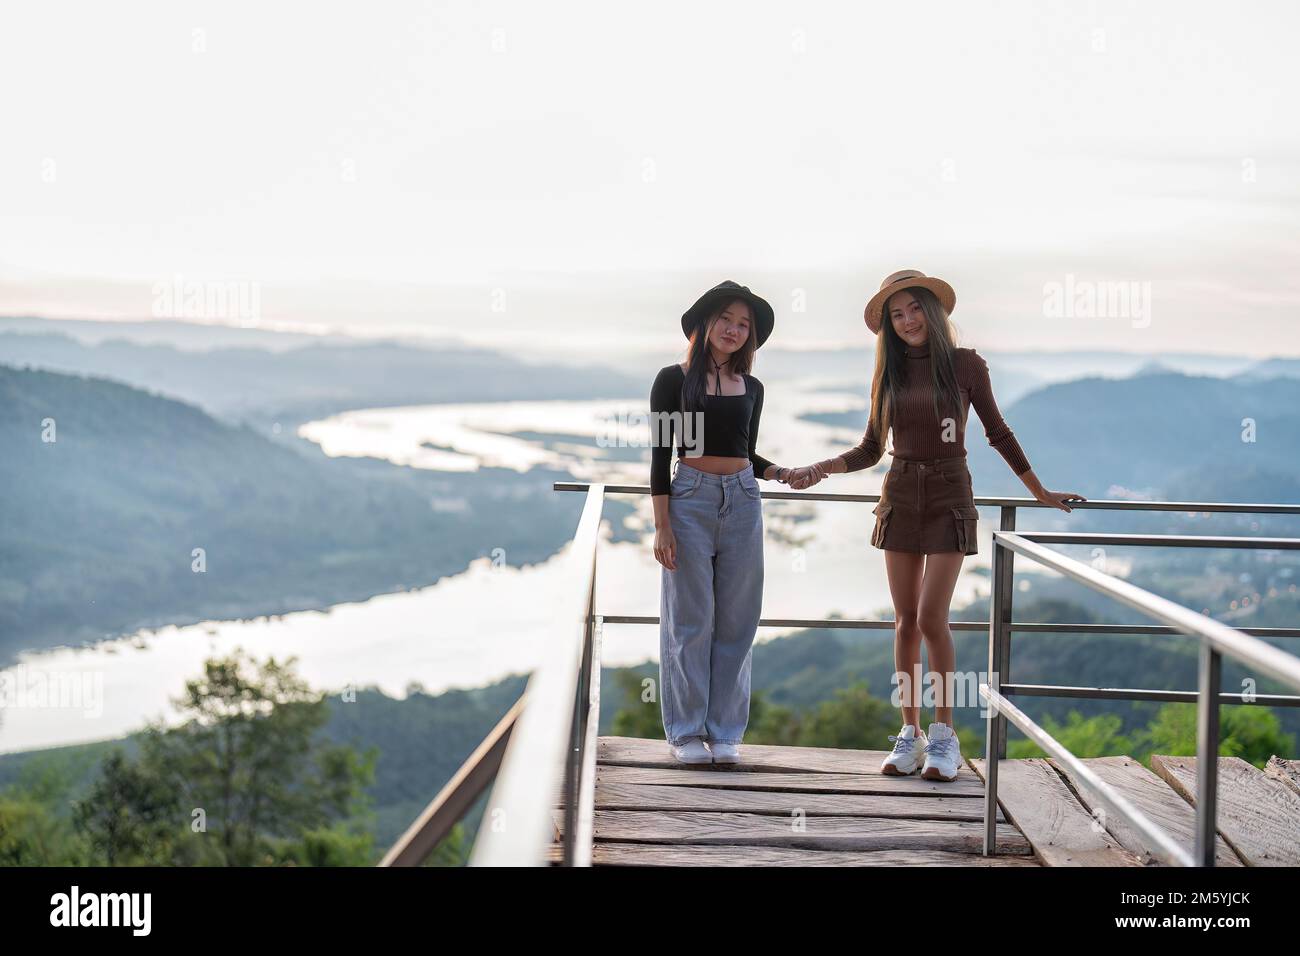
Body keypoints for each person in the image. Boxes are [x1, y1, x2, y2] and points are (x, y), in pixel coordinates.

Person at [787, 269, 1085, 781]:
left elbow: (997, 431)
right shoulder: (889, 373)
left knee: (930, 618)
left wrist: (1039, 491)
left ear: (933, 310)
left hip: (950, 493)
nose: (907, 321)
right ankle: (911, 733)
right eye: (896, 314)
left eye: (914, 309)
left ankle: (944, 735)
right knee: (904, 620)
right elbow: (871, 449)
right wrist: (821, 467)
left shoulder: (966, 365)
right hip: (901, 492)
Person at [649, 280, 798, 766]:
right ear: (706, 322)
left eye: (744, 324)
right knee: (690, 620)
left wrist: (780, 472)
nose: (734, 330)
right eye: (726, 319)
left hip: (743, 499)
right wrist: (662, 525)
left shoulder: (751, 387)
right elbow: (661, 456)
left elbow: (745, 452)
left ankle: (726, 731)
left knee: (738, 620)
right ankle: (687, 732)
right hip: (689, 500)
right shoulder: (674, 380)